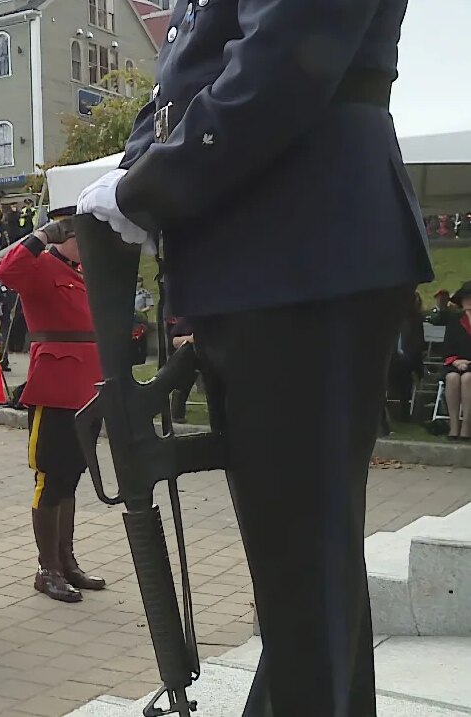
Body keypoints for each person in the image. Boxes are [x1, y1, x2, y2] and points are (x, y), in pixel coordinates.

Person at [76, 0, 435, 711]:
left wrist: (148, 190)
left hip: (301, 249)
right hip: (278, 253)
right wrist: (136, 172)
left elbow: (279, 65)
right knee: (301, 564)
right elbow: (182, 82)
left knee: (302, 563)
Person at [0, 209, 105, 604]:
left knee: (71, 477)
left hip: (88, 388)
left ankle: (66, 560)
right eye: (78, 235)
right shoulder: (40, 266)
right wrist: (41, 235)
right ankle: (47, 569)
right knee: (50, 479)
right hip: (56, 388)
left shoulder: (82, 272)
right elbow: (6, 272)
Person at [442, 282, 471, 440]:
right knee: (452, 378)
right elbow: (447, 347)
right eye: (466, 298)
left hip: (470, 368)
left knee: (468, 378)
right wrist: (456, 362)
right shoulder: (455, 320)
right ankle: (454, 427)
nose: (469, 301)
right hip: (455, 364)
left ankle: (467, 427)